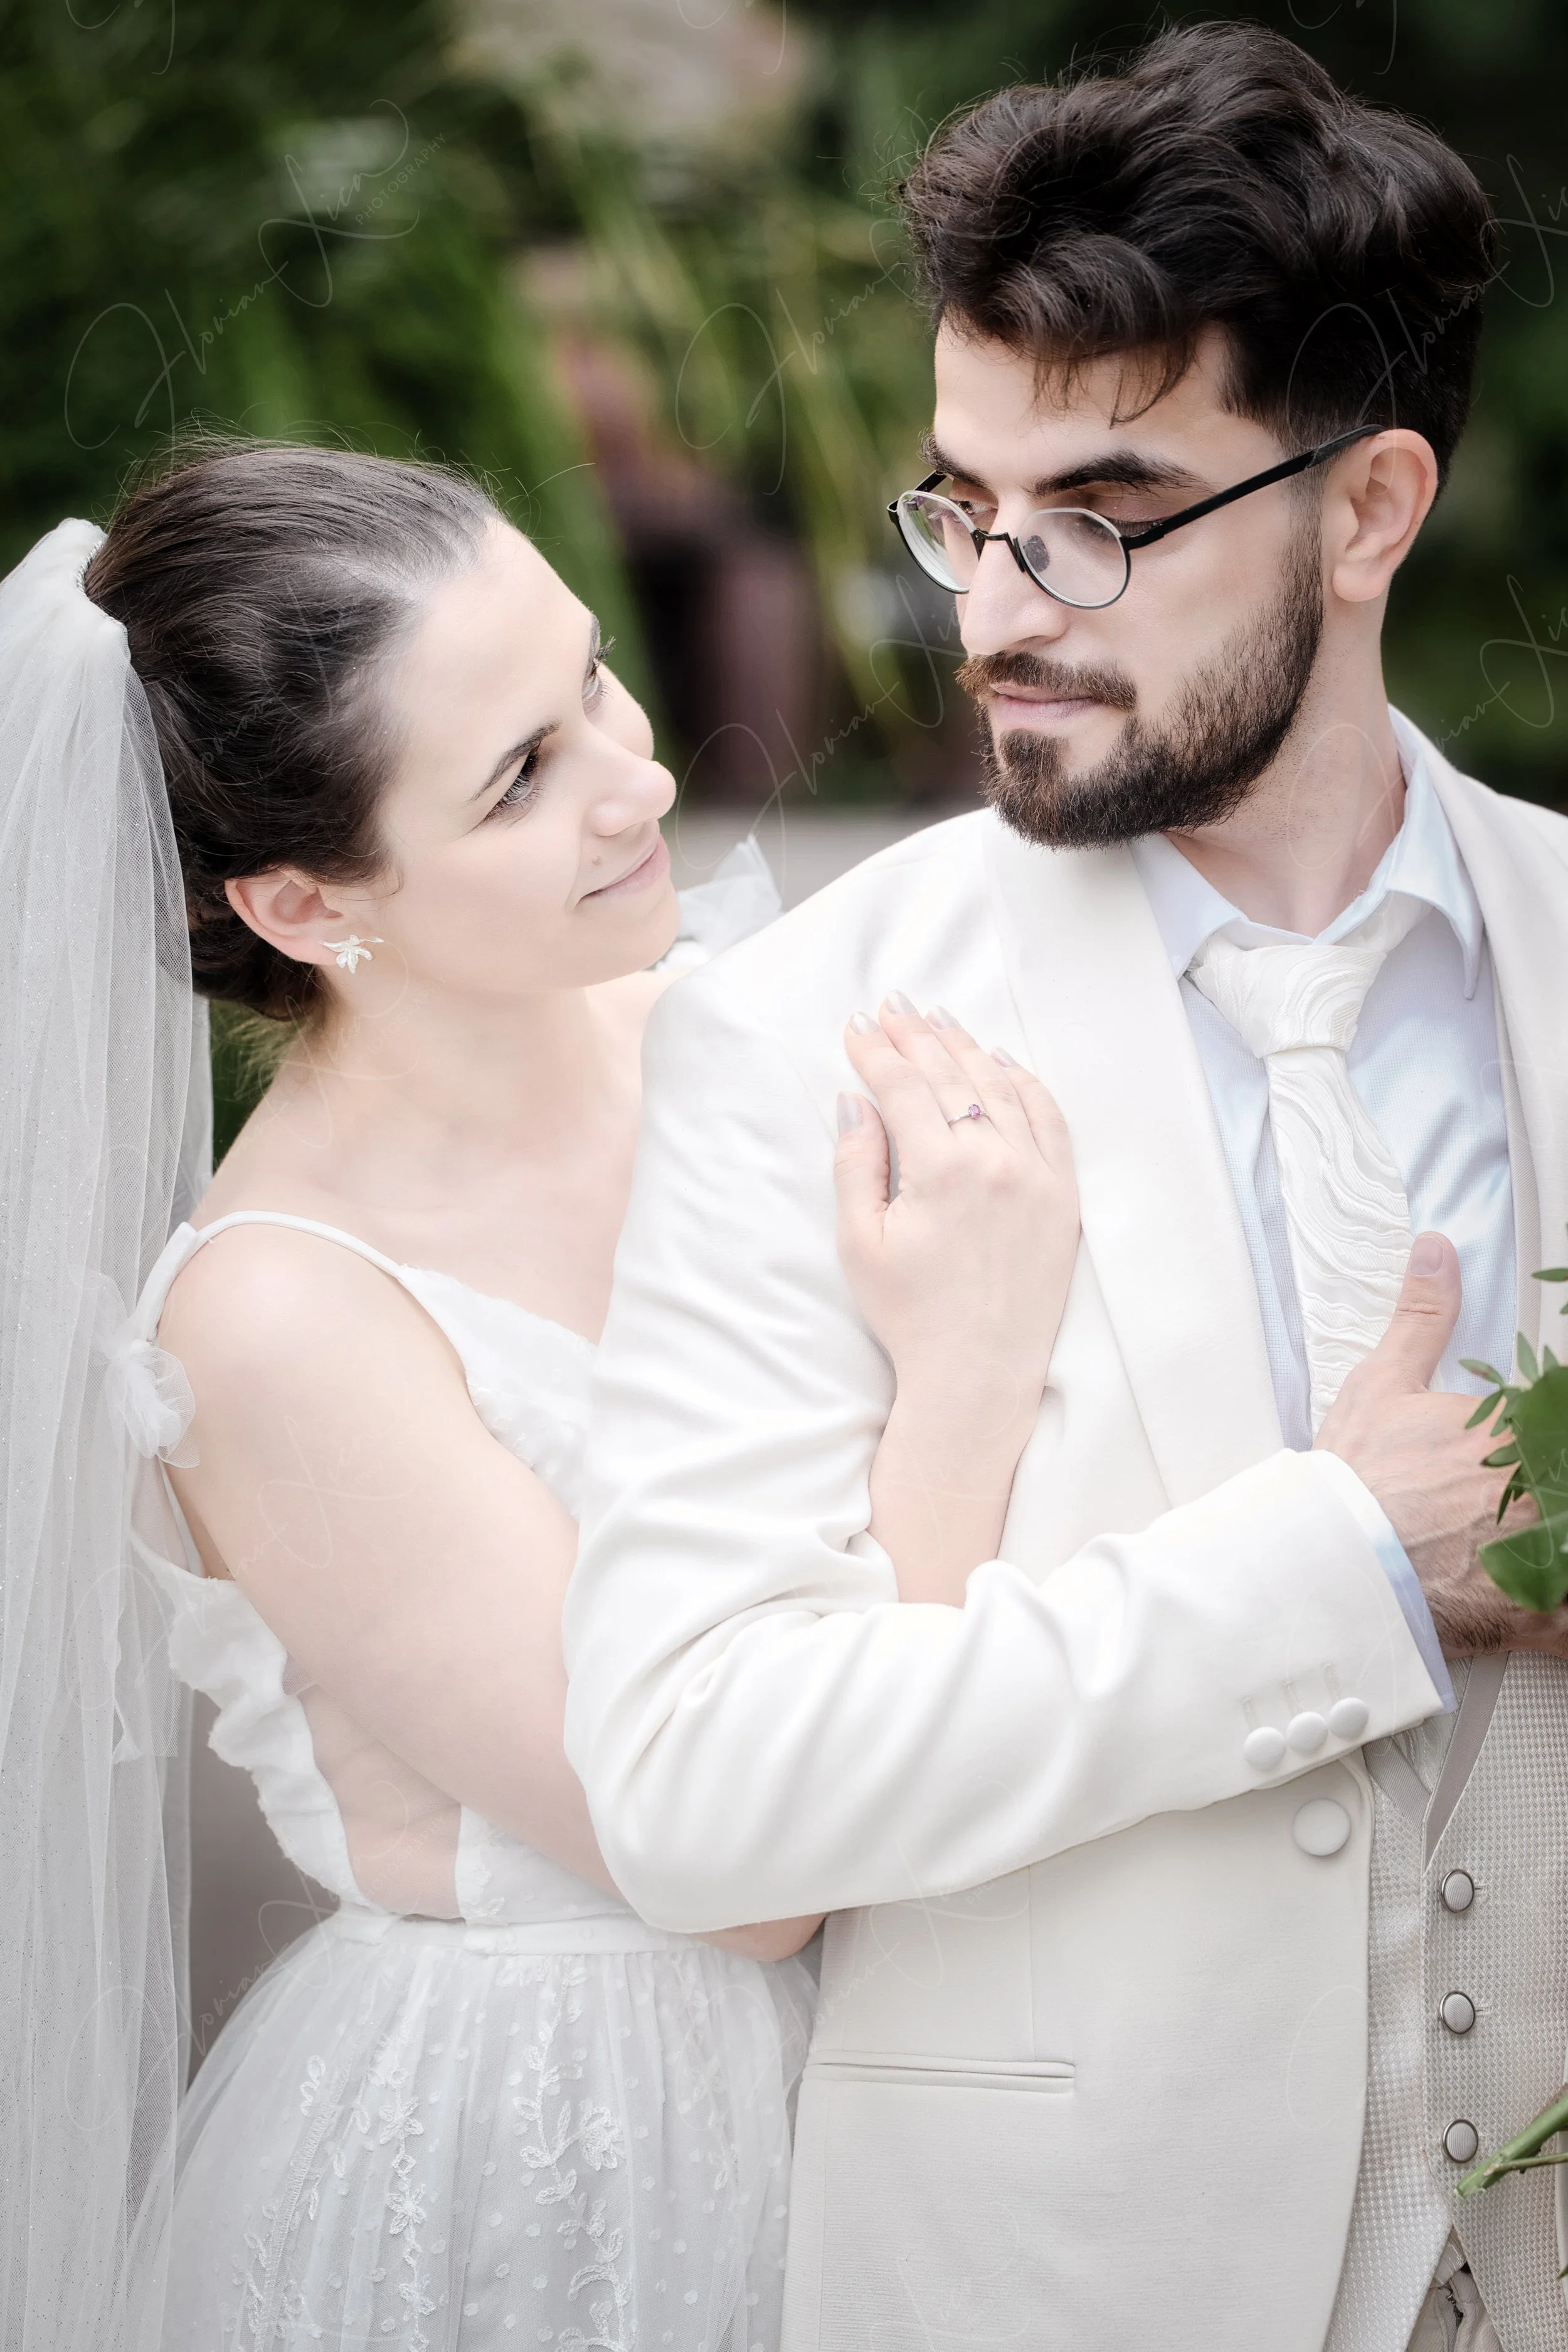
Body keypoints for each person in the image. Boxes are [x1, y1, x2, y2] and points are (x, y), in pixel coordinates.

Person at [563, 26, 1568, 2352]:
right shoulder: (803, 1023)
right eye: (960, 507)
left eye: (1099, 513)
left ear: (1369, 508)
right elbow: (700, 1789)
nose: (995, 605)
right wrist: (1334, 1559)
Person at [48, 436, 1076, 2352]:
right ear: (300, 906)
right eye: (521, 777)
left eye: (589, 678)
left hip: (922, 2061)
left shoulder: (728, 1020)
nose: (644, 780)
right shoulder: (278, 1317)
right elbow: (733, 1868)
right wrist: (969, 1375)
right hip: (563, 2148)